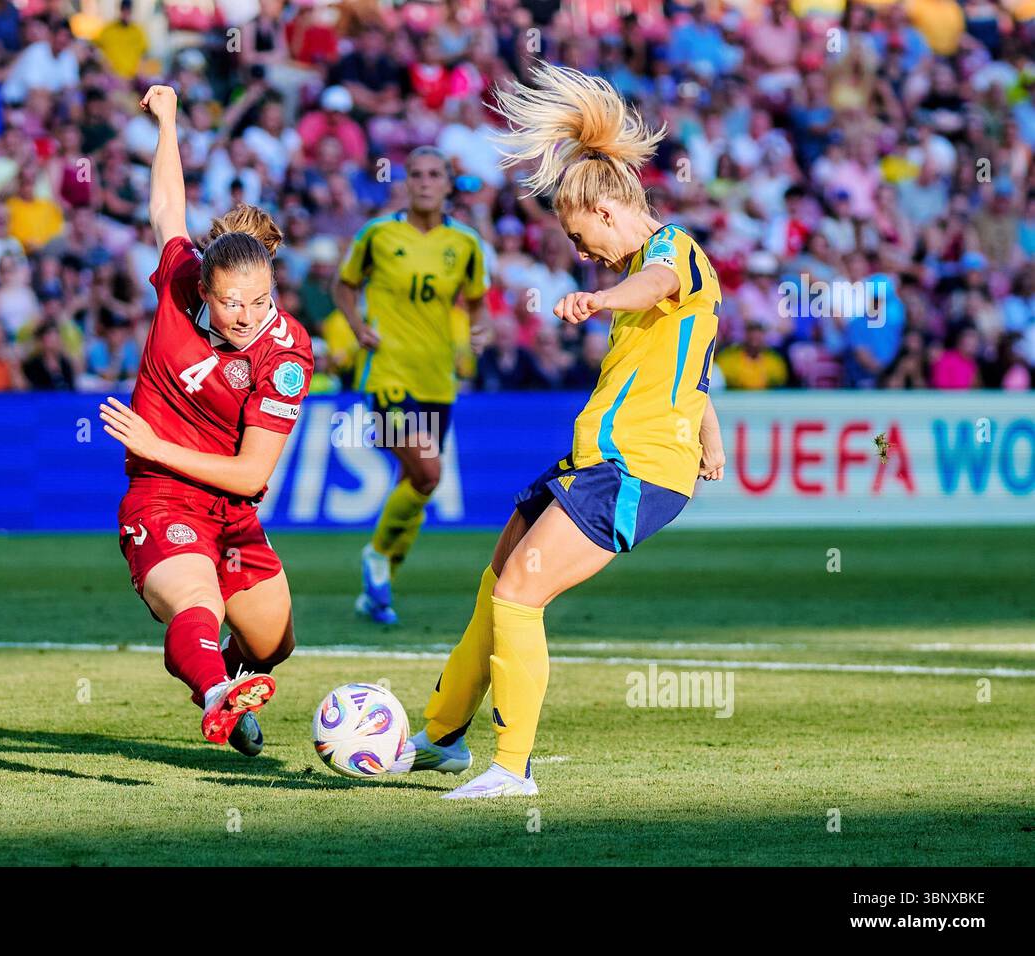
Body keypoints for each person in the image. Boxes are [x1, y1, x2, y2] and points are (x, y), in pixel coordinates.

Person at [389, 64, 725, 799]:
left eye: (579, 236)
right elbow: (688, 359)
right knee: (497, 576)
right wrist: (713, 437)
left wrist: (600, 297)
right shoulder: (646, 267)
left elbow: (658, 287)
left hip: (634, 472)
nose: (579, 252)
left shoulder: (673, 254)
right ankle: (442, 735)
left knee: (519, 596)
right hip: (594, 459)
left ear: (607, 212)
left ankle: (513, 769)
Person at [97, 84, 313, 755]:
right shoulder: (179, 277)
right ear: (205, 289)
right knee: (196, 597)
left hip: (231, 507)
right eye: (230, 304)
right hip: (161, 498)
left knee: (273, 641)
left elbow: (252, 475)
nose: (245, 316)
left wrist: (156, 441)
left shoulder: (286, 354)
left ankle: (211, 669)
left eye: (258, 300)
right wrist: (167, 121)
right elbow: (167, 206)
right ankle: (215, 692)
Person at [332, 146, 490, 624]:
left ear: (447, 184)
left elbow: (477, 301)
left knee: (416, 484)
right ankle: (376, 556)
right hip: (389, 374)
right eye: (416, 174)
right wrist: (359, 328)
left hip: (437, 379)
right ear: (406, 182)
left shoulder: (464, 244)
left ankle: (377, 592)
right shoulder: (377, 234)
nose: (424, 182)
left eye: (433, 175)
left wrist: (475, 335)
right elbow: (344, 285)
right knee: (428, 472)